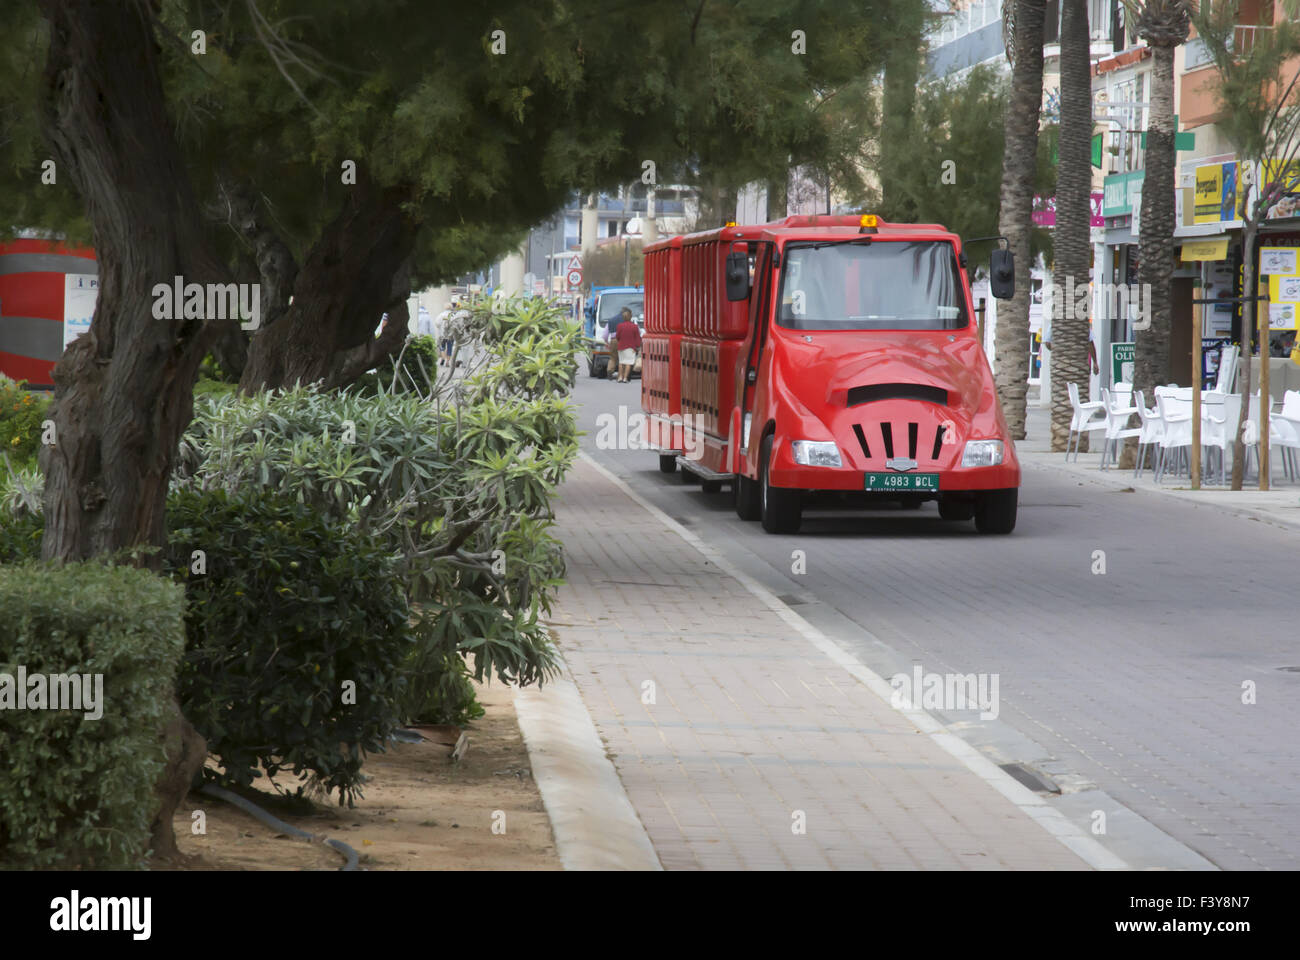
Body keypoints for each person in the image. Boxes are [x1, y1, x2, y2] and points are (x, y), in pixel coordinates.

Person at [612, 306, 642, 383]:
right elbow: (637, 338)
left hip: (621, 347)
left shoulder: (619, 326)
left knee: (621, 362)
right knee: (629, 363)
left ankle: (620, 377)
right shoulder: (635, 327)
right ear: (630, 317)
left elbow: (617, 336)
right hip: (631, 347)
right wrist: (638, 346)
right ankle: (625, 378)